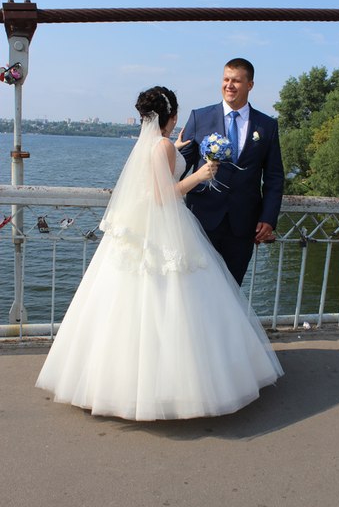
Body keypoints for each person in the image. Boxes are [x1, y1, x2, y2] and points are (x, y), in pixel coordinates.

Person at [36, 86, 283, 421]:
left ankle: (112, 382)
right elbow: (163, 195)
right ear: (173, 115)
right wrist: (200, 175)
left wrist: (176, 149)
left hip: (142, 229)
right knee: (175, 302)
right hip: (168, 226)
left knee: (125, 307)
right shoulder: (162, 145)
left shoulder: (150, 144)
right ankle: (183, 383)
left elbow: (156, 171)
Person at [181, 58, 284, 286]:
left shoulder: (267, 126)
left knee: (231, 290)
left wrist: (268, 218)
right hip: (200, 221)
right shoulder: (199, 117)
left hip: (243, 225)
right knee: (195, 289)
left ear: (250, 85)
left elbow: (274, 177)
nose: (229, 85)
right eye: (226, 79)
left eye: (236, 81)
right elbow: (179, 166)